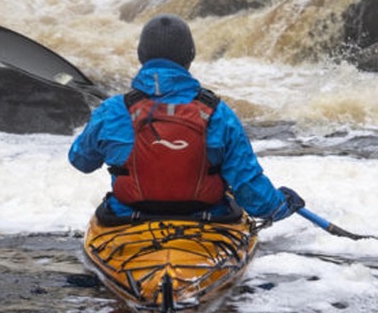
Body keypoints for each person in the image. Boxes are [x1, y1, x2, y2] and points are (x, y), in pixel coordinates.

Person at [68, 13, 304, 223]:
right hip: (208, 221)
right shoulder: (218, 113)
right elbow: (252, 191)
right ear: (190, 56)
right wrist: (281, 204)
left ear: (141, 56)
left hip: (127, 218)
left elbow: (81, 161)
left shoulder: (111, 110)